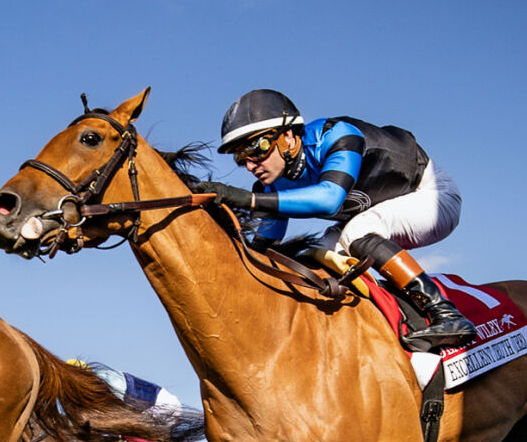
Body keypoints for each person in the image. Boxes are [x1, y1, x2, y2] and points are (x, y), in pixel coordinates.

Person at [192, 88, 475, 348]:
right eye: (241, 157)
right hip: (377, 216)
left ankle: (446, 314)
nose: (251, 164)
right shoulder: (270, 185)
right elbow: (263, 249)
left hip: (432, 196)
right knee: (317, 259)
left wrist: (245, 199)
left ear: (288, 136)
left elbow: (330, 199)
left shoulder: (337, 135)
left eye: (257, 148)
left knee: (356, 232)